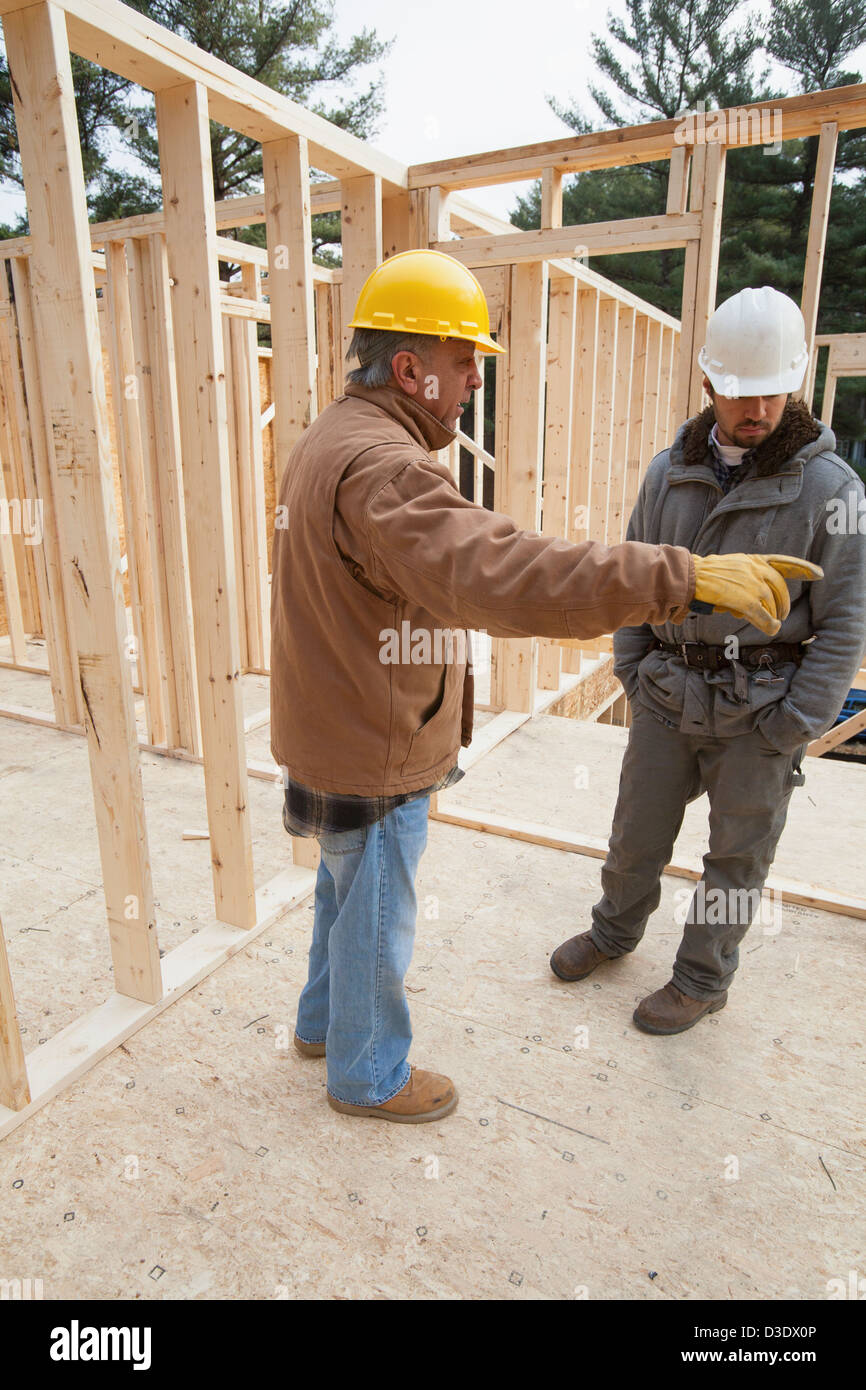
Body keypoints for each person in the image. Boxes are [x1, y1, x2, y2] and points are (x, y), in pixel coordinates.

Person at [270, 253, 819, 1120]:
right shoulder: (389, 468)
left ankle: (320, 1028)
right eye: (461, 361)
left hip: (329, 721)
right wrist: (684, 577)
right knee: (376, 907)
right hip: (371, 738)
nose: (473, 379)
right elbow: (508, 574)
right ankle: (367, 1074)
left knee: (342, 892)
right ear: (409, 369)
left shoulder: (331, 434)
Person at [551, 286, 865, 1035]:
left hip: (761, 708)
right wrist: (633, 670)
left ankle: (701, 978)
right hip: (666, 693)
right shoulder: (669, 471)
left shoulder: (832, 491)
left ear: (793, 384)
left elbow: (847, 621)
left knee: (736, 857)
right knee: (635, 836)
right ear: (707, 385)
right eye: (736, 392)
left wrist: (796, 722)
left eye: (768, 391)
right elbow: (631, 575)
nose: (752, 408)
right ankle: (615, 931)